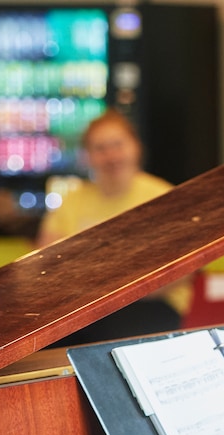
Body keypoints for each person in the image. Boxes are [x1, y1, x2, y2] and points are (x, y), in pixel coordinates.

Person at [37, 109, 184, 346]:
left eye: (118, 144)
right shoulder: (72, 201)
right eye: (100, 148)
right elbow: (47, 263)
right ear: (87, 156)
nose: (111, 156)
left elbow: (181, 270)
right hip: (81, 308)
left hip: (151, 304)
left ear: (136, 147)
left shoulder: (163, 197)